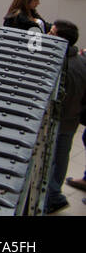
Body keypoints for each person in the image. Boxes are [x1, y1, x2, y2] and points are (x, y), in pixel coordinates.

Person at [45, 21, 85, 212]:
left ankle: (51, 196)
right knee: (61, 158)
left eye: (52, 33)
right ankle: (54, 194)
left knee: (51, 158)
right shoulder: (81, 62)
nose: (48, 35)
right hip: (72, 120)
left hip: (57, 120)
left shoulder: (58, 65)